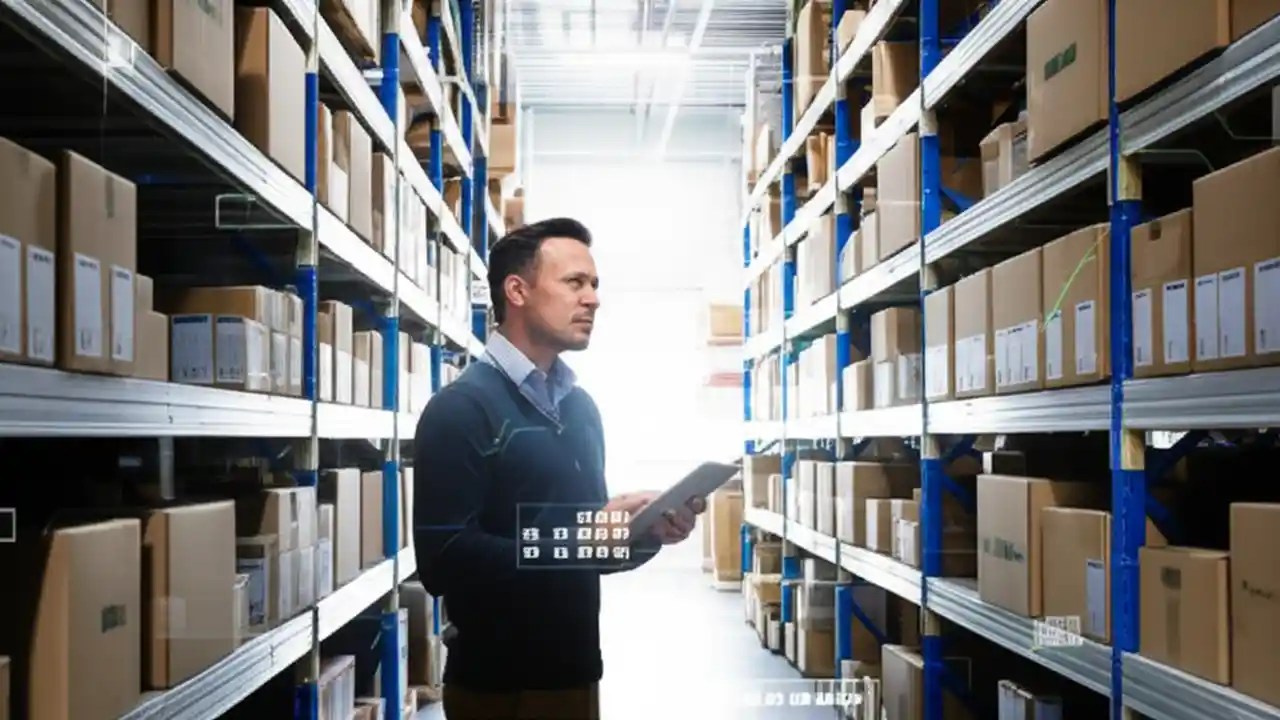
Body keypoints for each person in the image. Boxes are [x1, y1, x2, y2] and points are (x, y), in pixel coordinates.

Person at [412, 217, 705, 720]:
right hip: (498, 688)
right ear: (517, 290)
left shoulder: (581, 410)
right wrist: (584, 534)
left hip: (577, 675)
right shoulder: (460, 410)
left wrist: (643, 533)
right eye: (574, 283)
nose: (592, 299)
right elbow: (444, 559)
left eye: (594, 285)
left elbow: (587, 553)